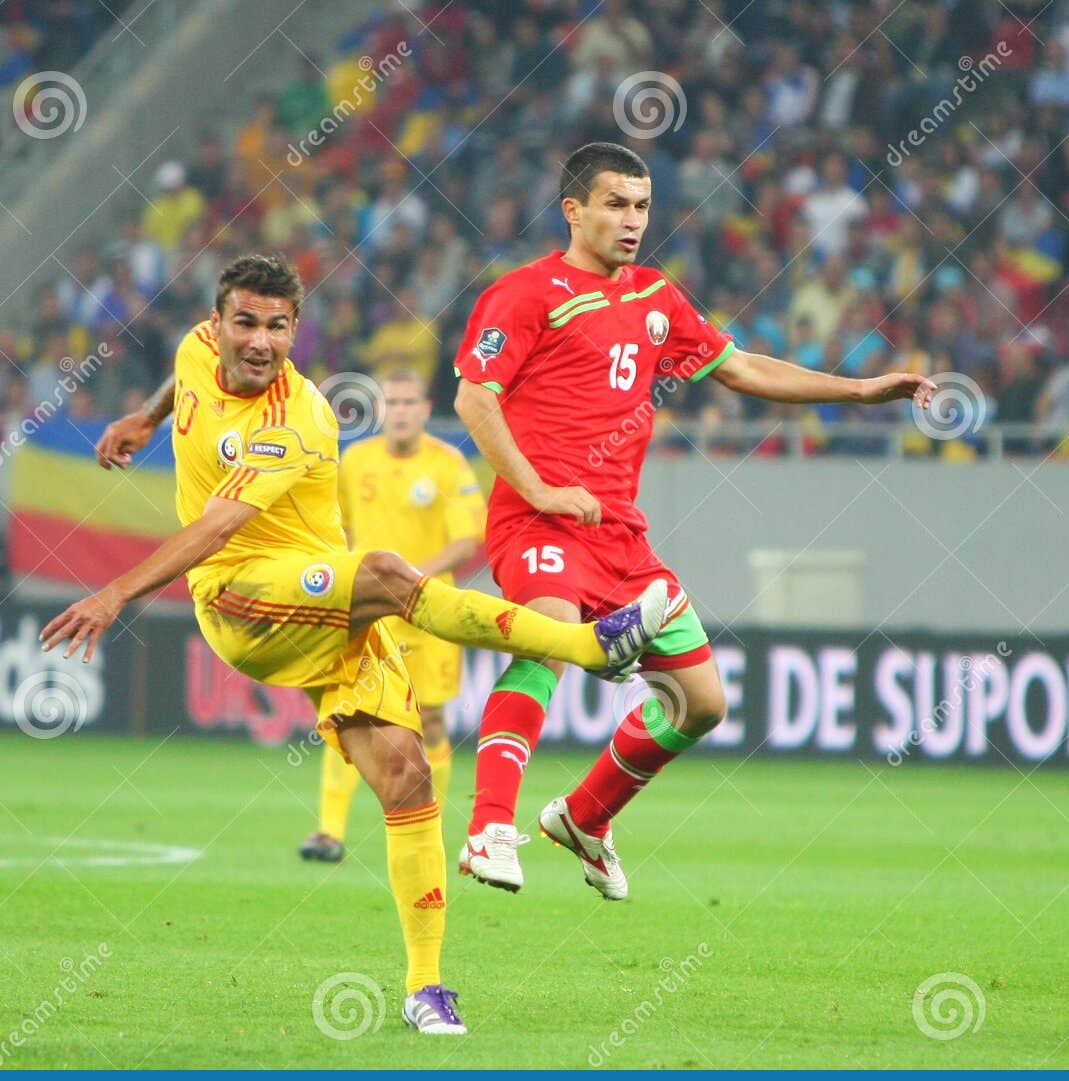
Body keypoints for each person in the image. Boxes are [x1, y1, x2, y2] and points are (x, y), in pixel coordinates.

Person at [53, 254, 670, 1035]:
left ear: (295, 332)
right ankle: (590, 646)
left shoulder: (300, 417)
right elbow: (211, 527)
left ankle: (425, 988)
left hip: (319, 601)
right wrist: (146, 419)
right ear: (218, 325)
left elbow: (217, 508)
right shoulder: (196, 352)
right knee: (383, 572)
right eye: (246, 322)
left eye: (279, 327)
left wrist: (115, 591)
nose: (261, 342)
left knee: (411, 778)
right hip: (240, 597)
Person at [453, 142, 935, 900]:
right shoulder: (524, 293)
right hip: (538, 522)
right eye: (615, 203)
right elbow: (474, 399)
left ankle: (584, 817)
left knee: (701, 702)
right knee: (545, 634)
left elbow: (741, 367)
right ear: (573, 210)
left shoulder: (655, 298)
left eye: (642, 206)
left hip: (619, 534)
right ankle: (487, 830)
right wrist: (542, 491)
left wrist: (858, 391)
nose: (633, 220)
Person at [299, 368, 486, 864]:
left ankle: (433, 826)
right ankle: (328, 831)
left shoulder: (448, 465)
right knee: (345, 712)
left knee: (431, 721)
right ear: (381, 410)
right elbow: (328, 526)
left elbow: (468, 538)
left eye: (409, 402)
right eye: (393, 402)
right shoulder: (355, 461)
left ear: (426, 410)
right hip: (366, 612)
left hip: (428, 613)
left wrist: (414, 578)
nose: (401, 411)